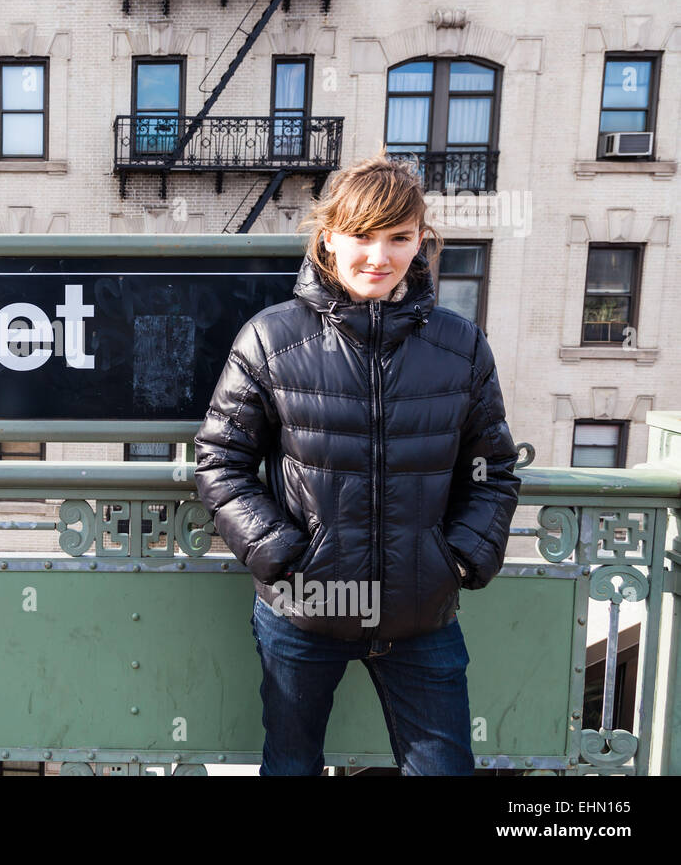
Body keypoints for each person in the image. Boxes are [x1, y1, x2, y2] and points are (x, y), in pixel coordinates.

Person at [193, 151, 521, 776]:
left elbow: (494, 470)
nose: (379, 256)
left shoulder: (460, 345)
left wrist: (458, 559)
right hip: (303, 612)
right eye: (361, 236)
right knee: (290, 766)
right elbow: (220, 460)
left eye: (399, 238)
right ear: (328, 238)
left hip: (421, 614)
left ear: (422, 241)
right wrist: (285, 557)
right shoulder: (271, 337)